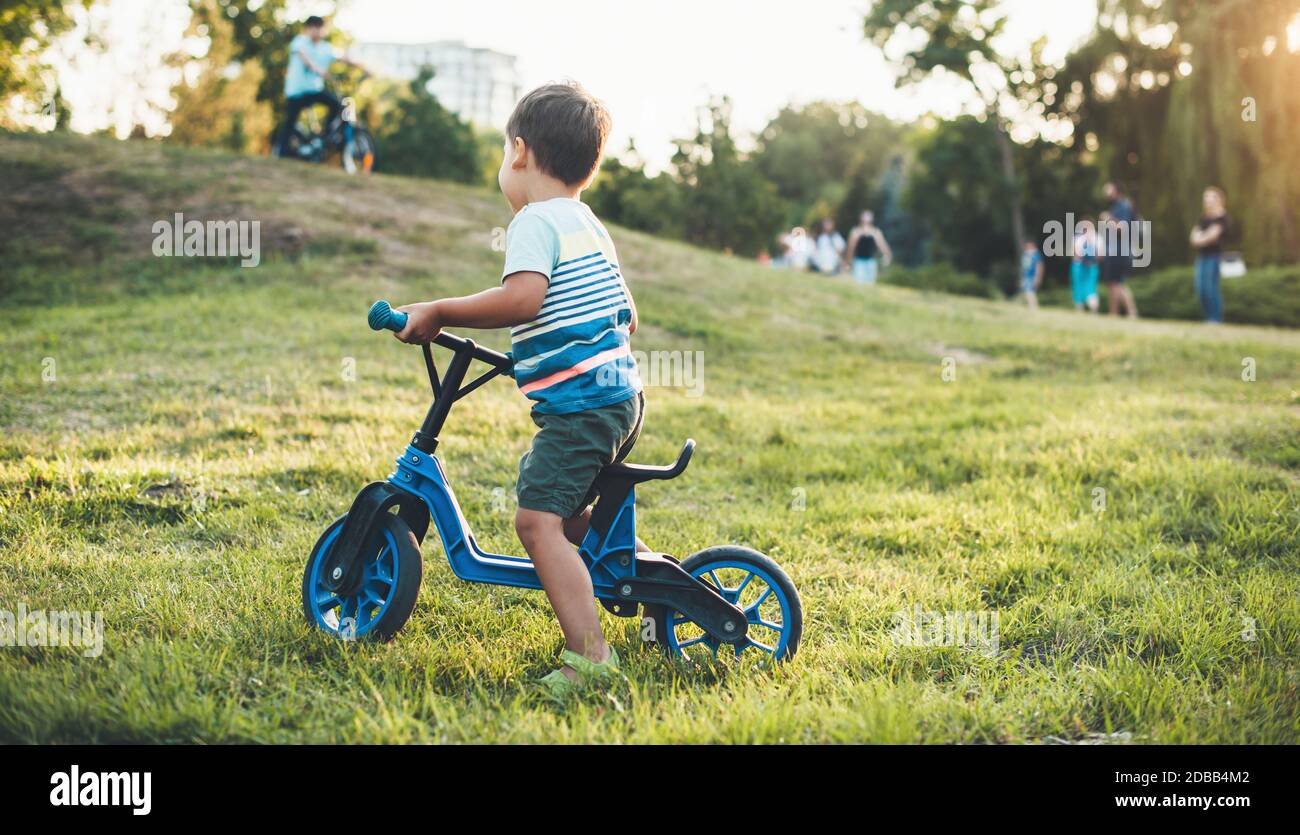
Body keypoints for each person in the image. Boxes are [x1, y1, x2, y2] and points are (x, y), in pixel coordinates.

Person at [391, 82, 643, 697]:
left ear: (521, 153)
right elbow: (628, 313)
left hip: (582, 408)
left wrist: (440, 310)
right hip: (620, 399)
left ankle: (591, 659)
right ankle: (624, 580)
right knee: (568, 519)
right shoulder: (587, 221)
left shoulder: (534, 221)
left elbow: (522, 299)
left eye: (504, 155)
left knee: (535, 523)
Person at [273, 16, 365, 159]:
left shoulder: (326, 48)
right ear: (308, 29)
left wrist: (365, 69)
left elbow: (343, 59)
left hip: (314, 90)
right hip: (296, 91)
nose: (316, 30)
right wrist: (316, 68)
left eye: (319, 27)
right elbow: (304, 57)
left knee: (336, 104)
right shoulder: (300, 41)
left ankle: (324, 136)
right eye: (313, 27)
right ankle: (281, 152)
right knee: (290, 122)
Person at [1190, 186, 1229, 324]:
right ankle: (1209, 318)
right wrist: (1202, 239)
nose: (1207, 200)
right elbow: (1193, 238)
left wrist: (1201, 238)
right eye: (1205, 197)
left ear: (1218, 199)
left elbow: (1212, 236)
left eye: (1211, 197)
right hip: (1202, 257)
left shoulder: (1222, 217)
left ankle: (1215, 319)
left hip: (1214, 257)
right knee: (1200, 289)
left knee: (1210, 288)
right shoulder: (1204, 218)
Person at [1101, 181, 1139, 318]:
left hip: (1121, 249)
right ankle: (1117, 313)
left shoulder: (1123, 206)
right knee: (1114, 283)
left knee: (1117, 282)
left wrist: (1108, 219)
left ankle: (1126, 313)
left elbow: (1122, 228)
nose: (1105, 192)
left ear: (1116, 191)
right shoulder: (1117, 206)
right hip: (1114, 249)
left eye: (1108, 189)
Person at [845, 210, 893, 285]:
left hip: (871, 261)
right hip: (859, 261)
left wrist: (888, 255)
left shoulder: (875, 232)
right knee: (858, 283)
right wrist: (848, 261)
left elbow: (882, 245)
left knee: (870, 283)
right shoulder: (856, 232)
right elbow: (851, 248)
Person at [1070, 218, 1100, 312]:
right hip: (1079, 267)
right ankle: (1080, 311)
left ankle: (1093, 311)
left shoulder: (1097, 238)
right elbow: (1074, 254)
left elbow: (1100, 256)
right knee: (1078, 289)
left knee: (1091, 289)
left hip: (1091, 267)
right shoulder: (1077, 238)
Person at [1020, 239, 1044, 309]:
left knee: (1030, 292)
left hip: (1032, 276)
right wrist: (1022, 278)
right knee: (1027, 293)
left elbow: (1039, 267)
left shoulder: (1036, 255)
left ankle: (1034, 307)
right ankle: (1031, 307)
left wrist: (1037, 278)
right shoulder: (1026, 254)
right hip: (1026, 276)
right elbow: (1024, 267)